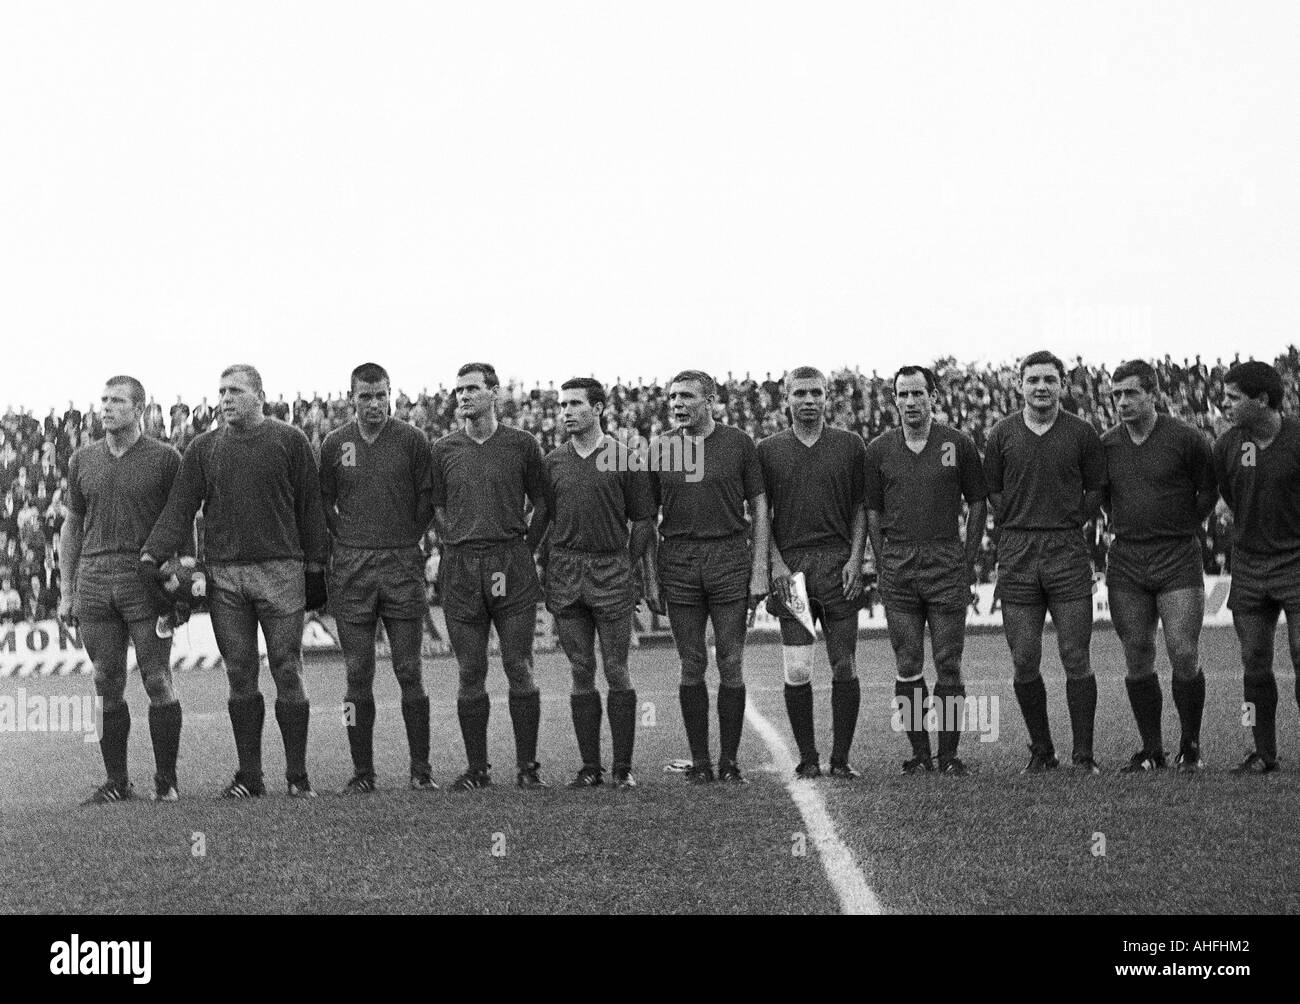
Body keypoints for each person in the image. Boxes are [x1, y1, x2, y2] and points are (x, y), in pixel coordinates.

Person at [144, 364, 329, 799]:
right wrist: (152, 554)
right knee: (239, 672)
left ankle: (297, 776)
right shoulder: (204, 448)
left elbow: (311, 509)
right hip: (224, 575)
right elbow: (179, 507)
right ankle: (250, 776)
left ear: (260, 395)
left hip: (281, 569)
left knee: (287, 667)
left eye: (235, 390)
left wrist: (317, 567)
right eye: (221, 391)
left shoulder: (290, 440)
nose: (225, 398)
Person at [60, 376, 185, 803]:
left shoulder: (165, 458)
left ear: (140, 409)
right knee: (104, 679)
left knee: (156, 679)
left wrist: (183, 580)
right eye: (104, 400)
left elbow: (182, 520)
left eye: (117, 401)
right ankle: (117, 781)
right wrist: (66, 591)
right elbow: (72, 525)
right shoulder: (82, 459)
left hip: (143, 576)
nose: (107, 408)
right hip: (94, 577)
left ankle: (165, 781)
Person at [983, 350, 1106, 774]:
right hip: (1017, 551)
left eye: (1049, 380)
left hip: (1066, 550)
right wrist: (1022, 519)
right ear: (1019, 384)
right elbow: (994, 493)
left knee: (1076, 655)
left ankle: (1084, 754)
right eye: (1032, 379)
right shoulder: (1001, 434)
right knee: (1023, 658)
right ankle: (1042, 751)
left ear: (1062, 386)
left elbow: (1095, 492)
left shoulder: (1082, 433)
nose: (1041, 387)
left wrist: (1066, 520)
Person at [430, 363, 550, 791]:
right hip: (462, 566)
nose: (462, 396)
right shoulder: (443, 448)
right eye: (458, 390)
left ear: (494, 393)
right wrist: (453, 541)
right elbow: (437, 507)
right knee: (469, 670)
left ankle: (527, 767)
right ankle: (477, 769)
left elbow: (541, 501)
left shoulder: (522, 443)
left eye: (472, 389)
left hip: (509, 562)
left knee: (518, 665)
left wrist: (526, 546)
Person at [647, 370, 770, 784]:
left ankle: (729, 761)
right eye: (672, 397)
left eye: (686, 396)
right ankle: (700, 761)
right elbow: (646, 519)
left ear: (711, 400)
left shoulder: (738, 443)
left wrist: (760, 570)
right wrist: (650, 576)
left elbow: (759, 505)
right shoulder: (660, 447)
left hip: (729, 557)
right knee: (692, 662)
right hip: (679, 559)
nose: (678, 404)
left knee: (731, 661)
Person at [320, 363, 437, 793]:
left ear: (392, 394)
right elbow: (324, 502)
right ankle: (362, 771)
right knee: (357, 674)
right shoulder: (335, 444)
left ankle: (421, 769)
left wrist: (406, 537)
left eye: (381, 395)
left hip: (401, 564)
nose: (374, 404)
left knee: (410, 670)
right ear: (351, 397)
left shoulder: (412, 440)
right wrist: (347, 538)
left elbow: (428, 500)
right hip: (352, 568)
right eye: (366, 396)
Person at [866, 366, 988, 775]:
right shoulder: (880, 449)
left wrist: (966, 560)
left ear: (933, 396)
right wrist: (883, 561)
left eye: (918, 393)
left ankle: (949, 754)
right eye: (903, 394)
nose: (911, 402)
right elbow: (872, 510)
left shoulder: (956, 444)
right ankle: (919, 753)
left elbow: (978, 503)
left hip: (944, 559)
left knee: (949, 661)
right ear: (894, 400)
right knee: (907, 661)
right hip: (899, 562)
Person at [538, 377, 656, 789]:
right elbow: (545, 518)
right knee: (580, 667)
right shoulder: (552, 462)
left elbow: (644, 519)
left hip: (611, 571)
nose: (566, 412)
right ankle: (590, 767)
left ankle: (622, 768)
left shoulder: (624, 458)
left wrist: (627, 559)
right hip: (567, 572)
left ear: (599, 408)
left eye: (574, 404)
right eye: (562, 405)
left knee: (616, 668)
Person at [1102, 360, 1216, 773]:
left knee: (1184, 651)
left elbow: (1209, 488)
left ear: (1153, 394)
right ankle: (1151, 750)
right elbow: (1103, 496)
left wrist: (1185, 523)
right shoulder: (1107, 444)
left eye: (1131, 393)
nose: (1123, 401)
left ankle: (1191, 745)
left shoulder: (1185, 438)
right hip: (1128, 559)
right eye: (1116, 395)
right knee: (1137, 654)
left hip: (1176, 556)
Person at [758, 366, 868, 779]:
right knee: (798, 668)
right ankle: (808, 757)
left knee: (845, 664)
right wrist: (776, 563)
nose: (808, 400)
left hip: (838, 565)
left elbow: (860, 508)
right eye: (800, 393)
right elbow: (762, 514)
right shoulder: (768, 450)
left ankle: (841, 759)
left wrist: (857, 560)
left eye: (816, 393)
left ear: (827, 397)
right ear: (786, 398)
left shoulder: (850, 444)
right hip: (792, 570)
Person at [1213, 361, 1300, 774]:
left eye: (1233, 397)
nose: (1224, 404)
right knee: (1254, 660)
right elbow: (1231, 494)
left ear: (1262, 400)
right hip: (1248, 564)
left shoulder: (1297, 437)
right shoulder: (1227, 445)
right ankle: (1263, 751)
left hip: (1297, 561)